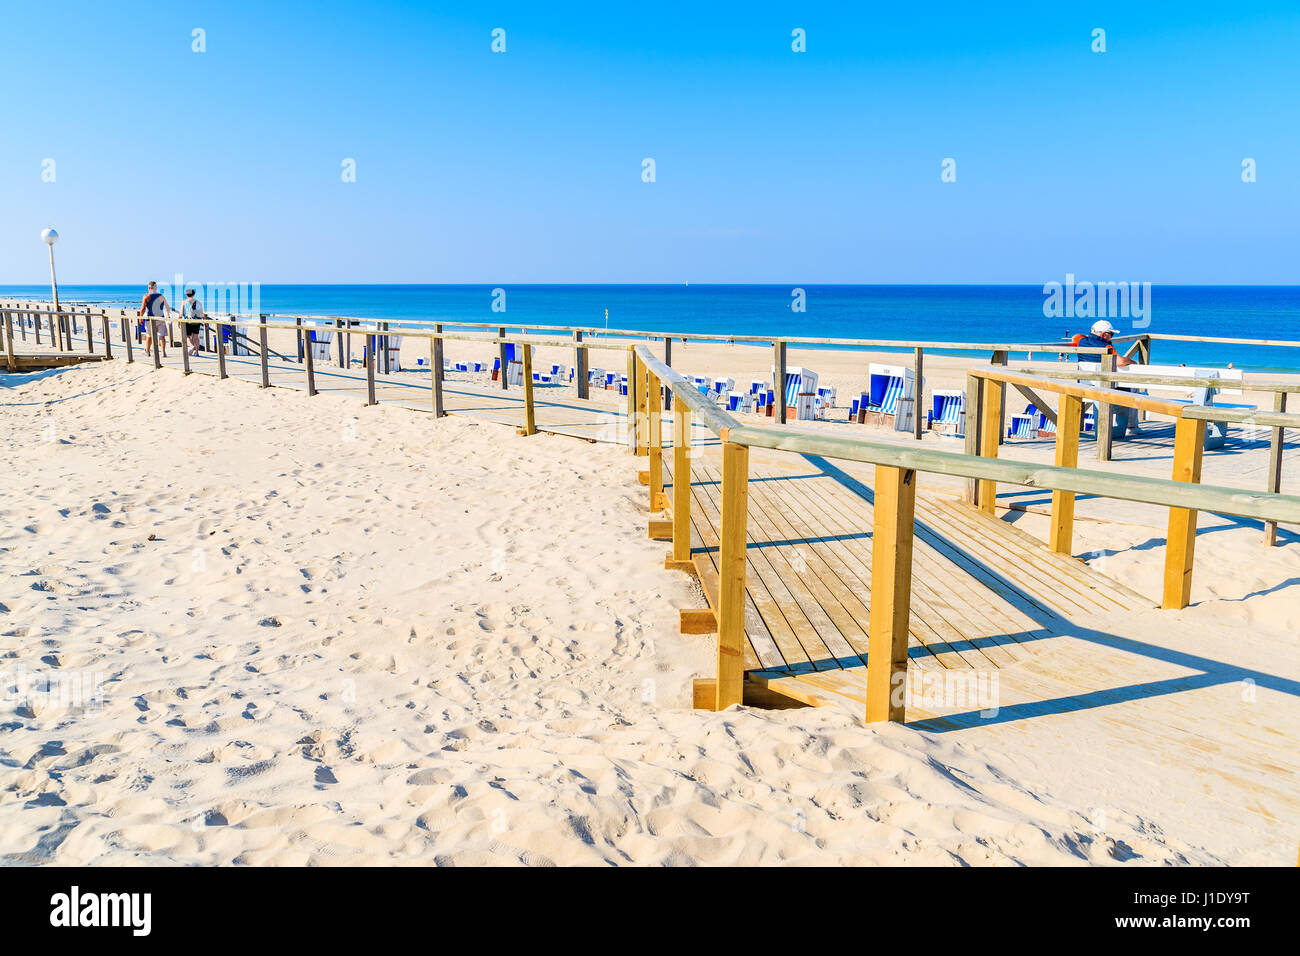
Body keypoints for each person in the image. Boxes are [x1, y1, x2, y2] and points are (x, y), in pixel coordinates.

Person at [138, 281, 172, 358]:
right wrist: (168, 316)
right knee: (162, 336)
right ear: (156, 288)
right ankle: (163, 352)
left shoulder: (146, 296)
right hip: (160, 318)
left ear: (149, 288)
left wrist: (140, 317)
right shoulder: (161, 296)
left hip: (151, 319)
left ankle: (147, 351)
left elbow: (143, 308)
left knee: (149, 335)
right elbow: (167, 307)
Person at [180, 288, 206, 355]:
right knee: (196, 337)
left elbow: (181, 314)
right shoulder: (198, 302)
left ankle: (192, 346)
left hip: (188, 321)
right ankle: (197, 352)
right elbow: (202, 313)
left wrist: (179, 322)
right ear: (193, 294)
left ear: (186, 295)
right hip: (197, 321)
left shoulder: (184, 302)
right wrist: (205, 322)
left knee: (187, 336)